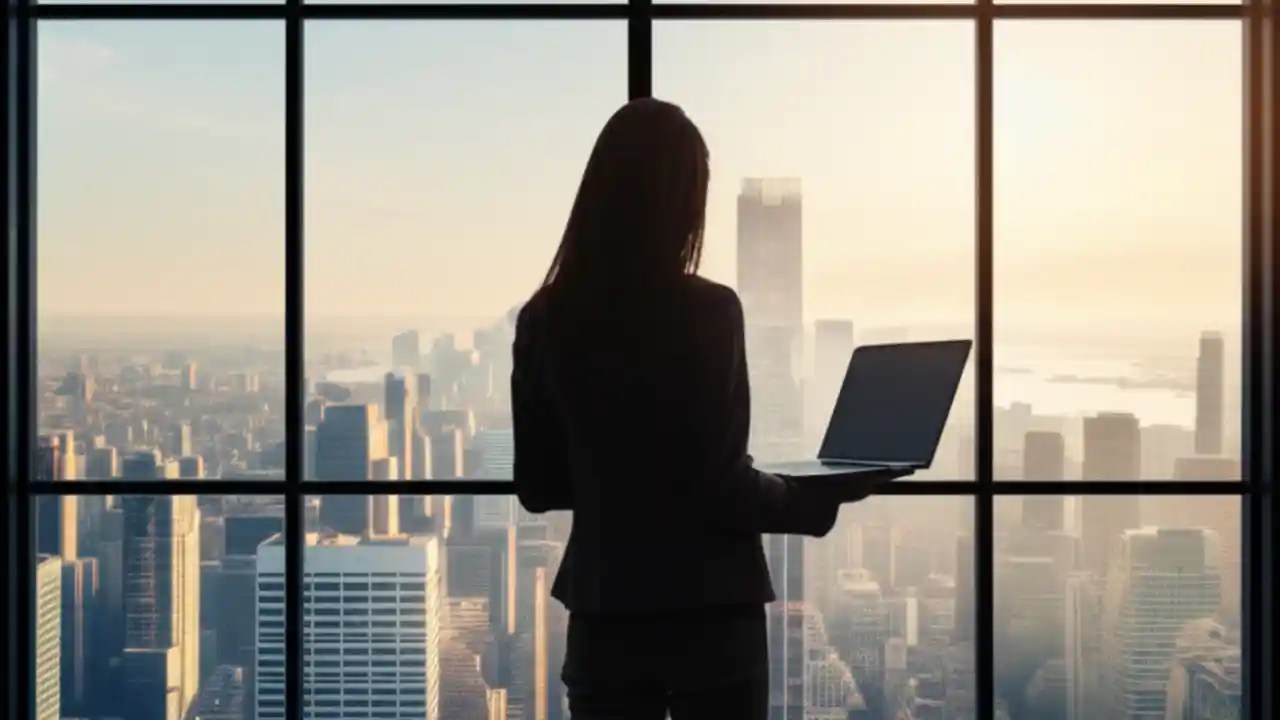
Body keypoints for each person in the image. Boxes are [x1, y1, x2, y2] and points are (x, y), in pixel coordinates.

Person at [511, 98, 876, 719]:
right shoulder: (707, 311)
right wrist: (809, 503)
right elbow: (719, 485)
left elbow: (539, 486)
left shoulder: (545, 317)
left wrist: (616, 480)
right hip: (711, 619)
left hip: (606, 617)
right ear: (685, 203)